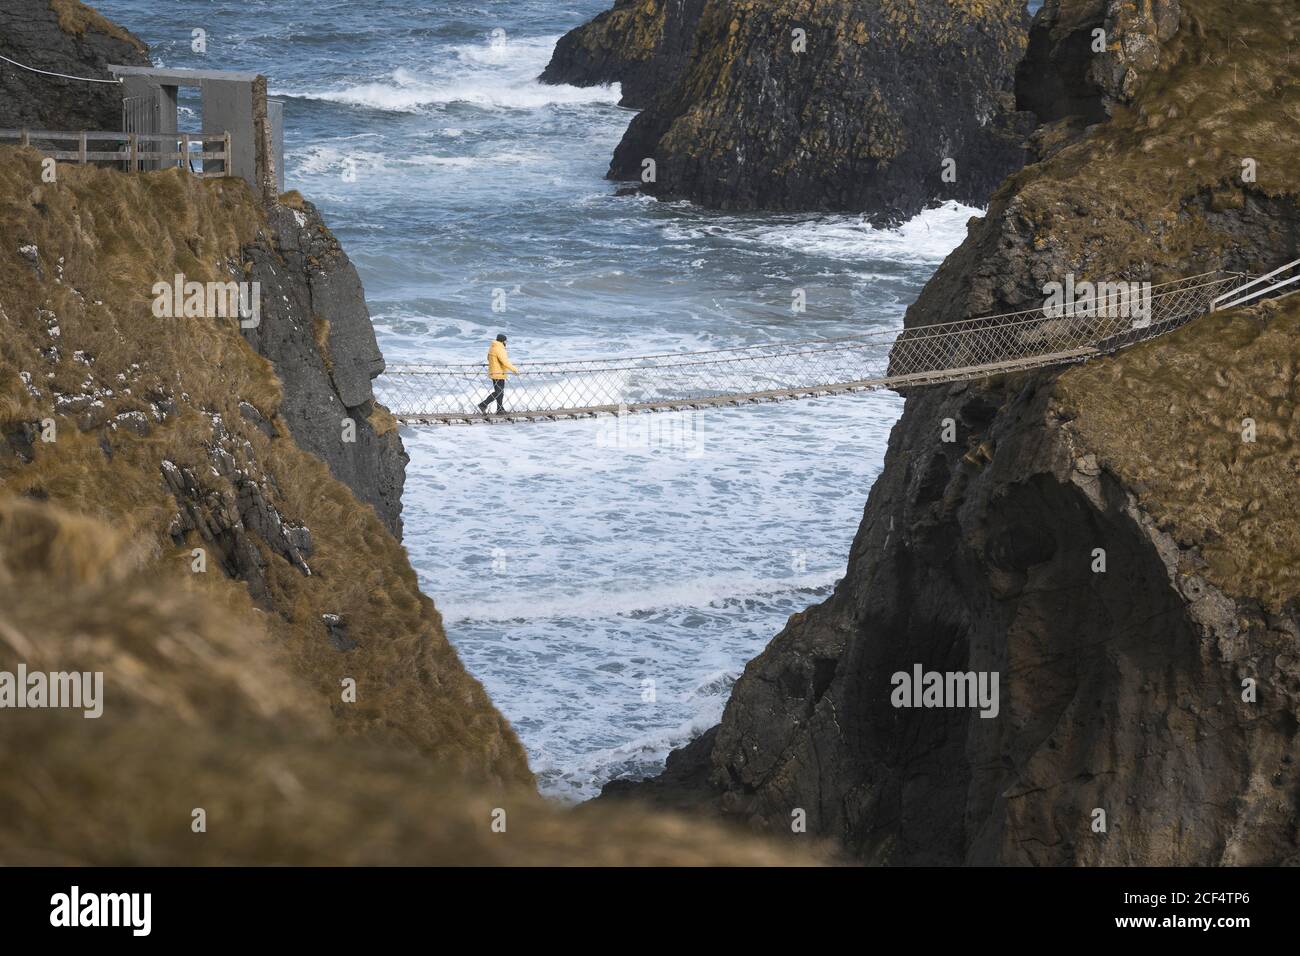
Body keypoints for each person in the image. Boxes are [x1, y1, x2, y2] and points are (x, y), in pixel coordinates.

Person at [477, 333, 518, 413]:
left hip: (494, 372)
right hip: (499, 373)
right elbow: (505, 361)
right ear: (503, 341)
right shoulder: (499, 349)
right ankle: (483, 404)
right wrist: (514, 370)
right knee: (498, 392)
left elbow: (488, 358)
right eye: (505, 341)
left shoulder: (492, 347)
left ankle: (500, 409)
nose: (506, 343)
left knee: (500, 392)